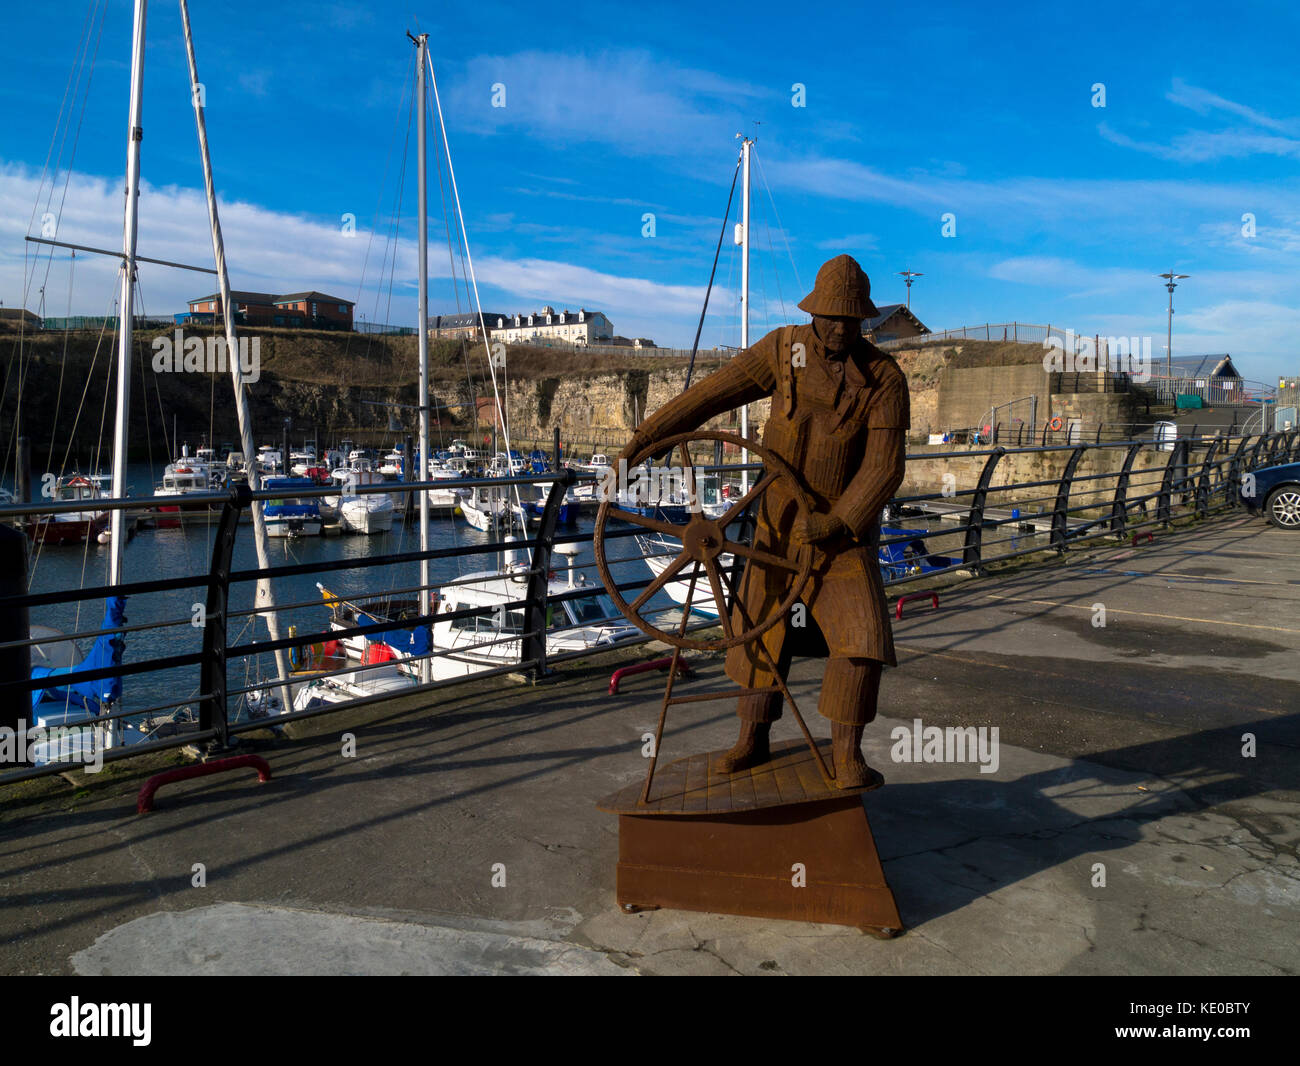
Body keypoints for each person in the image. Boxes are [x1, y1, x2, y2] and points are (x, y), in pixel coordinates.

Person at [619, 254, 909, 787]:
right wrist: (645, 440)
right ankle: (751, 740)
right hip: (774, 534)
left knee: (862, 640)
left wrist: (839, 521)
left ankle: (847, 756)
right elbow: (712, 394)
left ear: (863, 320)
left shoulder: (885, 380)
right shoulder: (782, 350)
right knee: (758, 637)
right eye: (831, 317)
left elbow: (884, 467)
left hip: (842, 543)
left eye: (850, 320)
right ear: (814, 312)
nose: (839, 328)